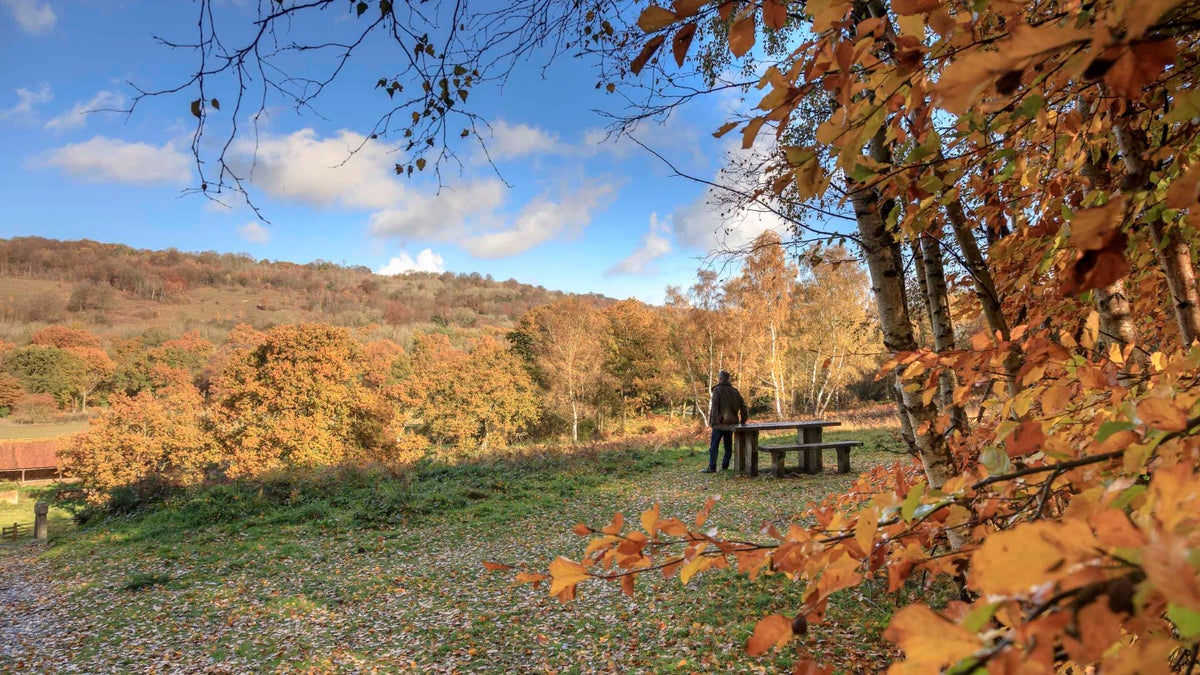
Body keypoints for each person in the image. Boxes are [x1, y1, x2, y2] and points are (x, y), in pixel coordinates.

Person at [704, 370, 748, 473]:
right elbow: (743, 406)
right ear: (727, 379)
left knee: (714, 445)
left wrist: (714, 422)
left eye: (718, 377)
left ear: (720, 378)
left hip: (719, 423)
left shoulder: (717, 390)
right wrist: (743, 420)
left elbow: (715, 406)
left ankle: (712, 467)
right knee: (728, 445)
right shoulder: (735, 391)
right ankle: (725, 466)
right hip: (732, 423)